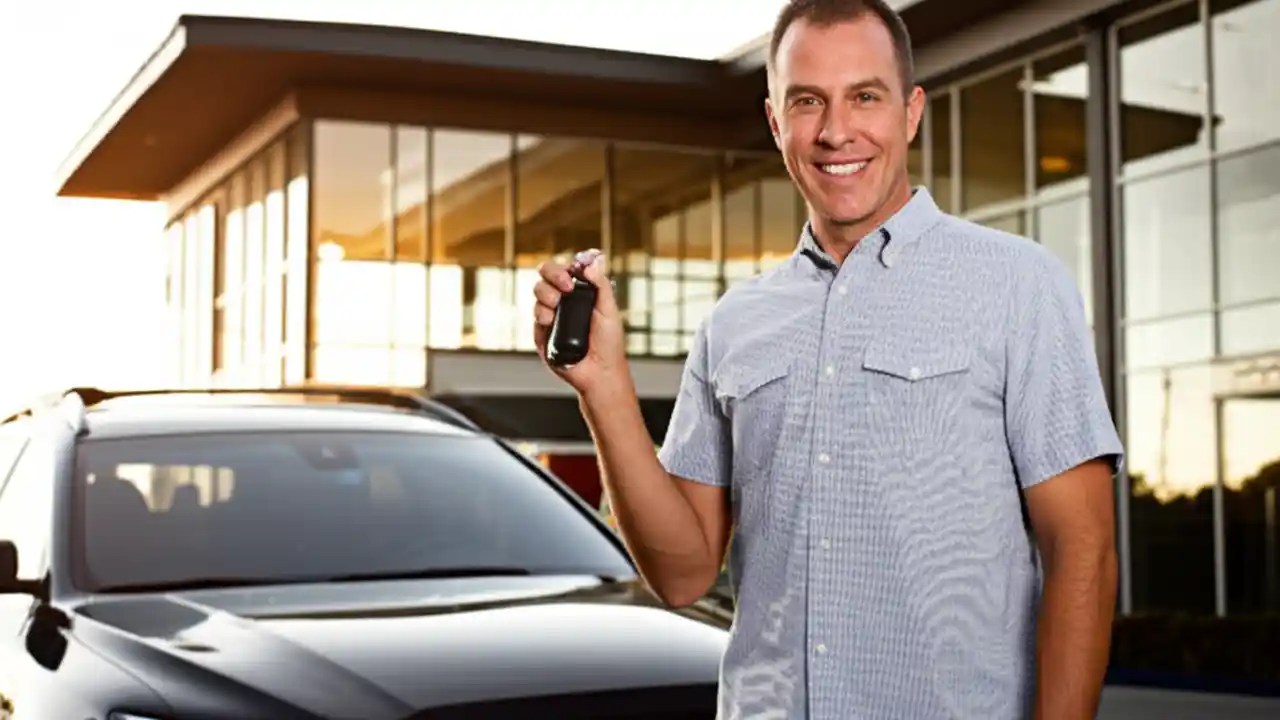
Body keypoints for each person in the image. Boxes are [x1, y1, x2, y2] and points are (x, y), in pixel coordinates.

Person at [532, 1, 1124, 717]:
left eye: (864, 97)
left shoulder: (1018, 285)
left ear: (910, 112)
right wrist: (603, 387)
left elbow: (1082, 549)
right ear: (777, 122)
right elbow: (683, 573)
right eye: (807, 101)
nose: (836, 130)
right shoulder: (734, 323)